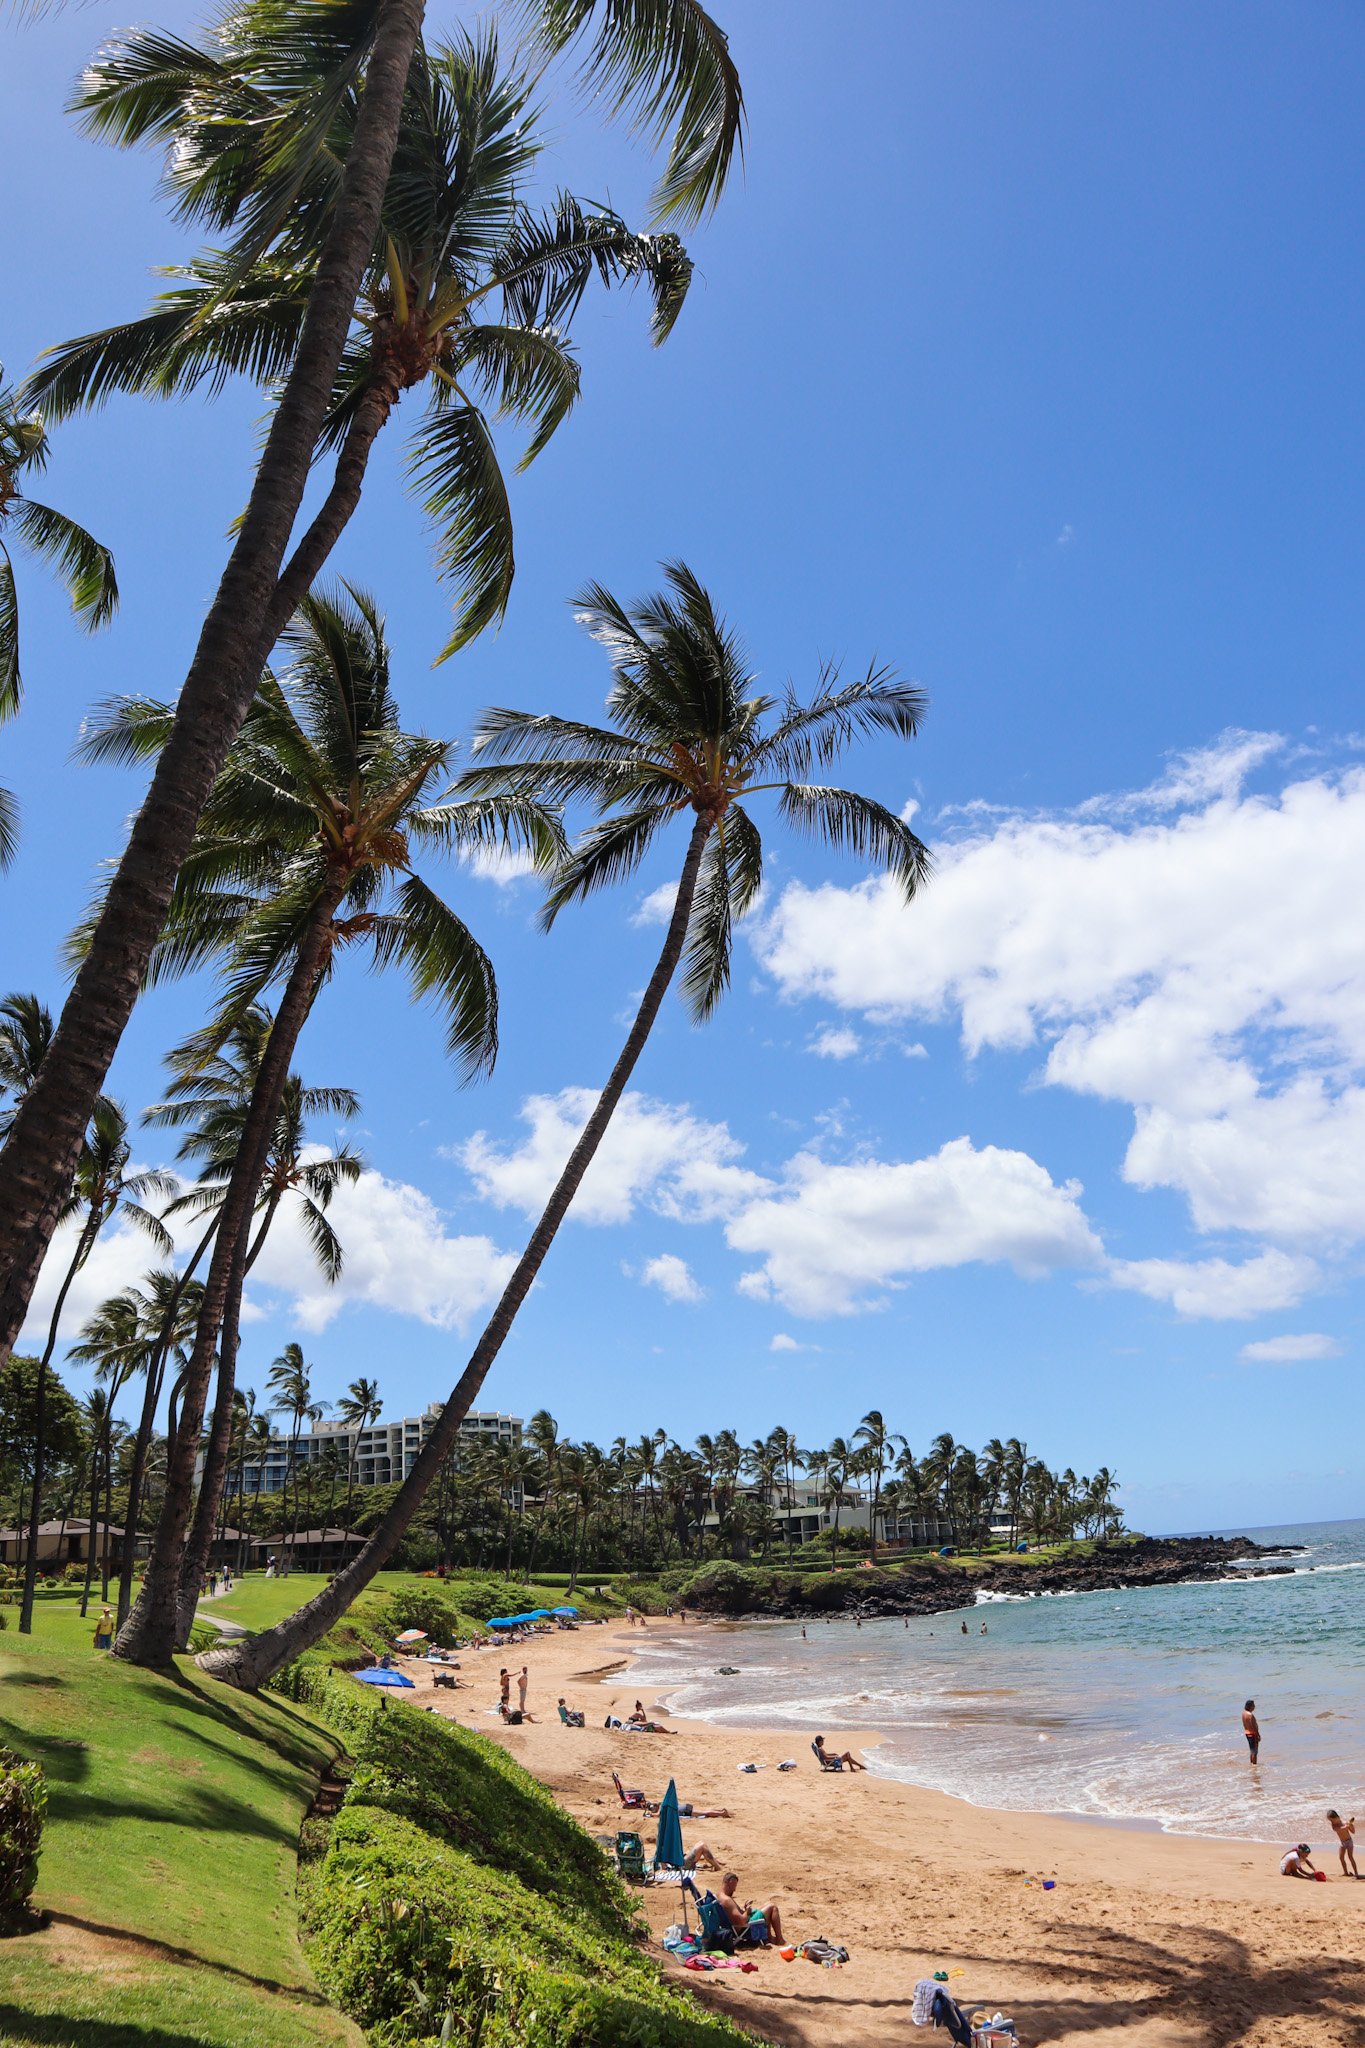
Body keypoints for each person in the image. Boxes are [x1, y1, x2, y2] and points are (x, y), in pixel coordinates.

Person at [718, 1871, 783, 1944]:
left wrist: (745, 1909)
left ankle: (769, 1937)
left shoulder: (719, 1896)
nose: (734, 1890)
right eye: (734, 1886)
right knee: (772, 1907)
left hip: (734, 1925)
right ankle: (779, 1939)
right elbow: (741, 1922)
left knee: (767, 1904)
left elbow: (733, 1914)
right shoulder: (727, 1900)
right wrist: (747, 1911)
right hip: (744, 1928)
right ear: (730, 1883)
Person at [1327, 1811, 1358, 1878]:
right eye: (1330, 1821)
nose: (1332, 1822)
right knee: (1341, 1857)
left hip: (1349, 1841)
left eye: (1332, 1820)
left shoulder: (1345, 1823)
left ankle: (1356, 1873)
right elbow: (1337, 1829)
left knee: (1350, 1857)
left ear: (1337, 1817)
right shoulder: (1334, 1825)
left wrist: (1351, 1826)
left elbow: (1353, 1832)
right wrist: (1345, 1827)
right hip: (1342, 1842)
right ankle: (1346, 1872)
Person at [1242, 1699, 1261, 1764]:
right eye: (1253, 1705)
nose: (1254, 1707)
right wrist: (1258, 1735)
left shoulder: (1243, 1713)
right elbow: (1254, 1727)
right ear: (1250, 1706)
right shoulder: (1250, 1715)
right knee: (1255, 1752)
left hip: (1247, 1733)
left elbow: (1244, 1724)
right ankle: (1254, 1766)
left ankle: (1251, 1764)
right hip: (1253, 1734)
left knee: (1252, 1750)